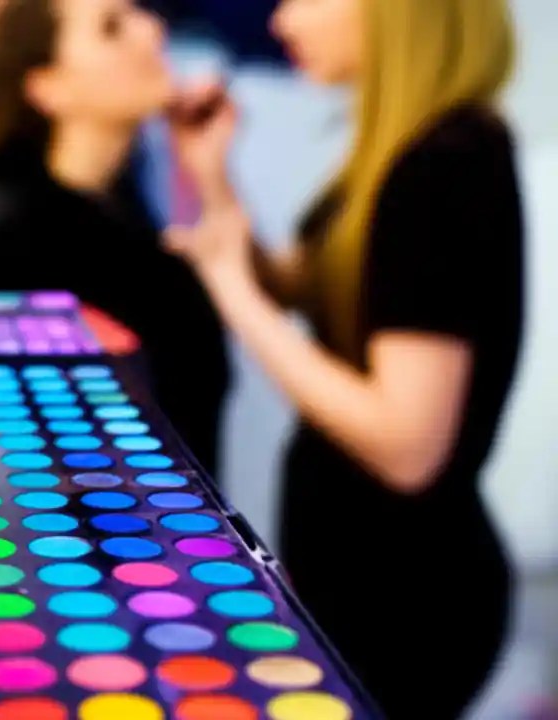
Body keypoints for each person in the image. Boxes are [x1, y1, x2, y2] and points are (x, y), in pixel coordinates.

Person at [167, 0, 520, 716]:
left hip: (407, 604)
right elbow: (312, 286)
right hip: (367, 575)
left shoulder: (444, 165)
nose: (281, 22)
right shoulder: (410, 149)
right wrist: (213, 179)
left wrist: (233, 295)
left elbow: (407, 444)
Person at [0, 0, 230, 475]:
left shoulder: (111, 212)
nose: (152, 30)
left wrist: (210, 177)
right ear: (48, 87)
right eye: (112, 28)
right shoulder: (12, 245)